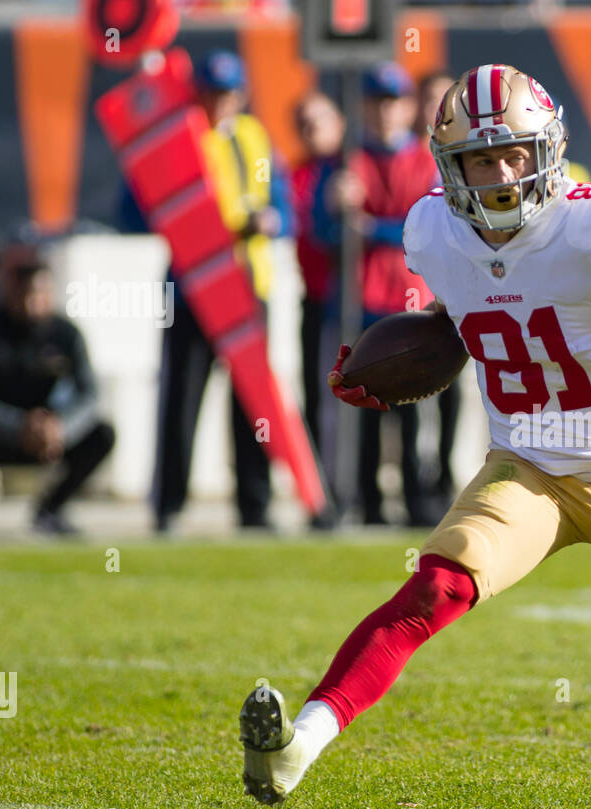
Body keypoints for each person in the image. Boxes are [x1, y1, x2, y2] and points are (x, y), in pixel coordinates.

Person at [240, 64, 591, 806]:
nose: (500, 173)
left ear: (547, 148)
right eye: (480, 159)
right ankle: (300, 745)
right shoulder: (433, 229)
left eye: (514, 153)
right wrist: (394, 362)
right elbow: (463, 320)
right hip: (527, 468)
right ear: (449, 166)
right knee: (434, 587)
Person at [122, 50, 292, 533]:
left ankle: (254, 506)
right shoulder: (179, 139)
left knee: (252, 401)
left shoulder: (254, 137)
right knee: (182, 396)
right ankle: (169, 505)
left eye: (227, 94)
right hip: (194, 286)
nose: (220, 103)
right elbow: (136, 209)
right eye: (212, 94)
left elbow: (281, 204)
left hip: (247, 283)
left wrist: (271, 221)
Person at [313, 63, 437, 526]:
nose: (385, 112)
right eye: (376, 103)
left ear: (407, 107)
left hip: (410, 303)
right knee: (359, 407)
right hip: (358, 301)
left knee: (413, 410)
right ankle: (363, 498)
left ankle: (415, 495)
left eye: (393, 102)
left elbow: (427, 227)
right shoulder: (346, 162)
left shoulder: (427, 161)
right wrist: (334, 209)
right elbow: (325, 233)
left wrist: (369, 226)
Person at [0, 243, 115, 535]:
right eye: (23, 295)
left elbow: (90, 394)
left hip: (47, 438)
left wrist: (61, 427)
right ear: (8, 292)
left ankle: (50, 510)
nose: (30, 304)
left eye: (37, 295)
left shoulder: (65, 335)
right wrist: (17, 425)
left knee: (102, 433)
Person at [414, 71, 463, 500]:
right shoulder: (413, 156)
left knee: (456, 392)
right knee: (410, 386)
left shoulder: (477, 156)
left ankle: (443, 474)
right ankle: (415, 485)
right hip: (420, 289)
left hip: (473, 289)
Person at [291, 91, 346, 464]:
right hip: (315, 299)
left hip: (350, 299)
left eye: (319, 122)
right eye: (304, 126)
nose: (313, 132)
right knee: (317, 390)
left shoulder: (350, 169)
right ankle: (324, 481)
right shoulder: (298, 175)